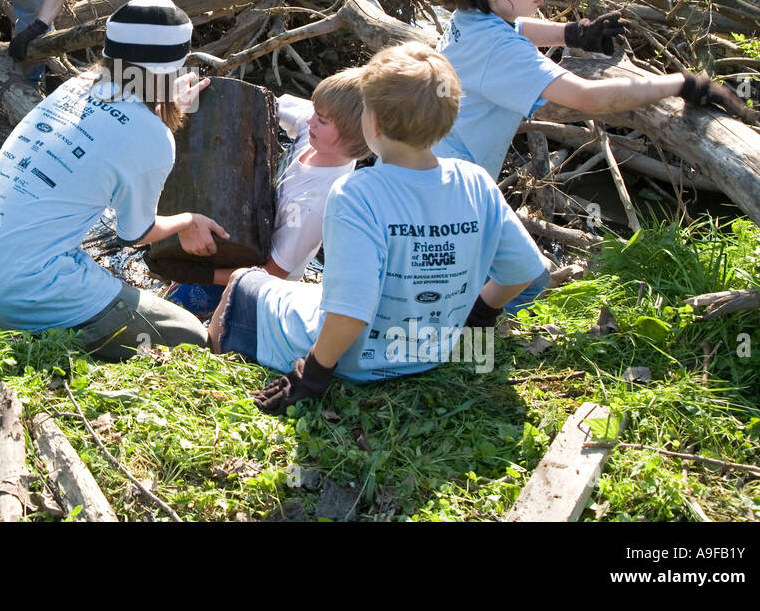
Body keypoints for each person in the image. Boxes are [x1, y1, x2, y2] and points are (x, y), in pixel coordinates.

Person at [430, 0, 754, 320]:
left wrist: (572, 33)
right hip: (452, 185)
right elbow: (587, 97)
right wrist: (682, 83)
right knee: (527, 279)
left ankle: (462, 311)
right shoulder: (500, 50)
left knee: (514, 273)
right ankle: (467, 322)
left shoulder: (468, 18)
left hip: (435, 164)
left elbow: (516, 26)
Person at [208, 42, 548, 414]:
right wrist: (480, 315)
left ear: (373, 123)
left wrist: (312, 374)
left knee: (243, 283)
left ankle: (206, 344)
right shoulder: (476, 181)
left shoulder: (356, 194)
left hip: (356, 360)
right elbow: (526, 270)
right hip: (430, 351)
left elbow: (351, 310)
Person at [0, 0, 229, 359]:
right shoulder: (155, 139)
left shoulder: (76, 85)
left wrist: (161, 102)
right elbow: (135, 234)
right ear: (174, 68)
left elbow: (119, 120)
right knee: (189, 336)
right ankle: (39, 324)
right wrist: (188, 221)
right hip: (11, 286)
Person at [162, 79, 367, 319]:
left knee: (176, 323)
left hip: (256, 284)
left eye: (321, 120)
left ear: (354, 136)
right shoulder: (313, 134)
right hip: (248, 234)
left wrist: (202, 274)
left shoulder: (315, 205)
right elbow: (264, 105)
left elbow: (273, 272)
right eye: (315, 111)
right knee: (171, 301)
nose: (311, 119)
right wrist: (215, 94)